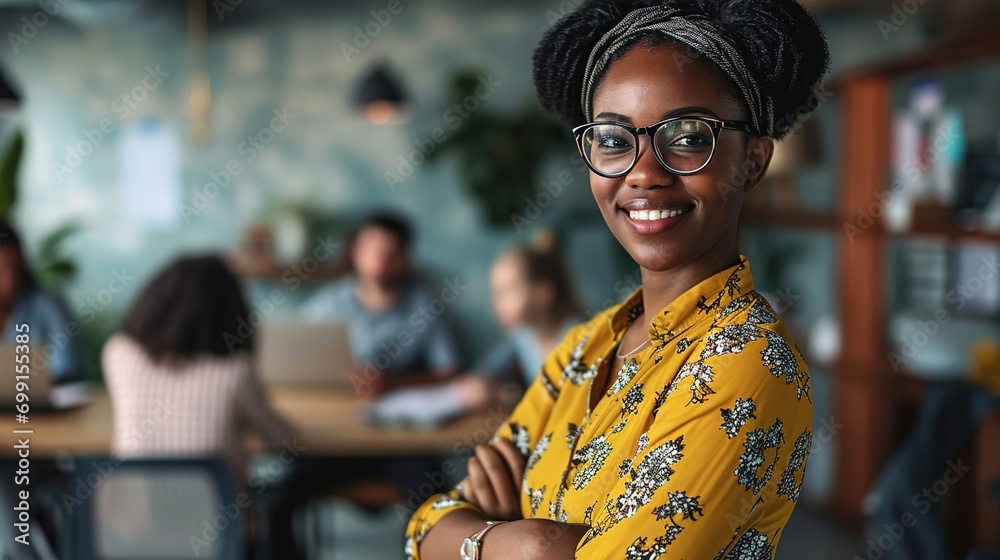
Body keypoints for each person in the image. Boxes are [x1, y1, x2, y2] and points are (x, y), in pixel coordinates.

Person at [405, 0, 829, 558]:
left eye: (687, 136)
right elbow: (421, 529)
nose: (644, 173)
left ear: (752, 159)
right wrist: (538, 543)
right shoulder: (585, 347)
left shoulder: (747, 363)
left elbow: (447, 535)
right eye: (612, 139)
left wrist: (499, 538)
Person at [102, 255, 294, 481]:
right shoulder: (235, 372)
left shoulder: (118, 354)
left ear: (154, 302)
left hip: (136, 512)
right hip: (220, 515)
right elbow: (282, 440)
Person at [303, 211, 461, 397]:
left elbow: (451, 374)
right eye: (372, 249)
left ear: (405, 258)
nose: (381, 260)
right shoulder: (327, 305)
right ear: (355, 252)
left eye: (391, 252)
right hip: (333, 403)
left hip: (402, 411)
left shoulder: (428, 309)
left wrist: (392, 384)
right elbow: (298, 358)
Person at [473, 234, 585, 388]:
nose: (496, 303)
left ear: (544, 293)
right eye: (495, 292)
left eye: (507, 291)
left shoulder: (579, 338)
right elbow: (485, 372)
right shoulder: (522, 336)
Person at [0, 222, 82, 381]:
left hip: (35, 404)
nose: (9, 281)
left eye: (14, 269)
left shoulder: (47, 305)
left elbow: (67, 369)